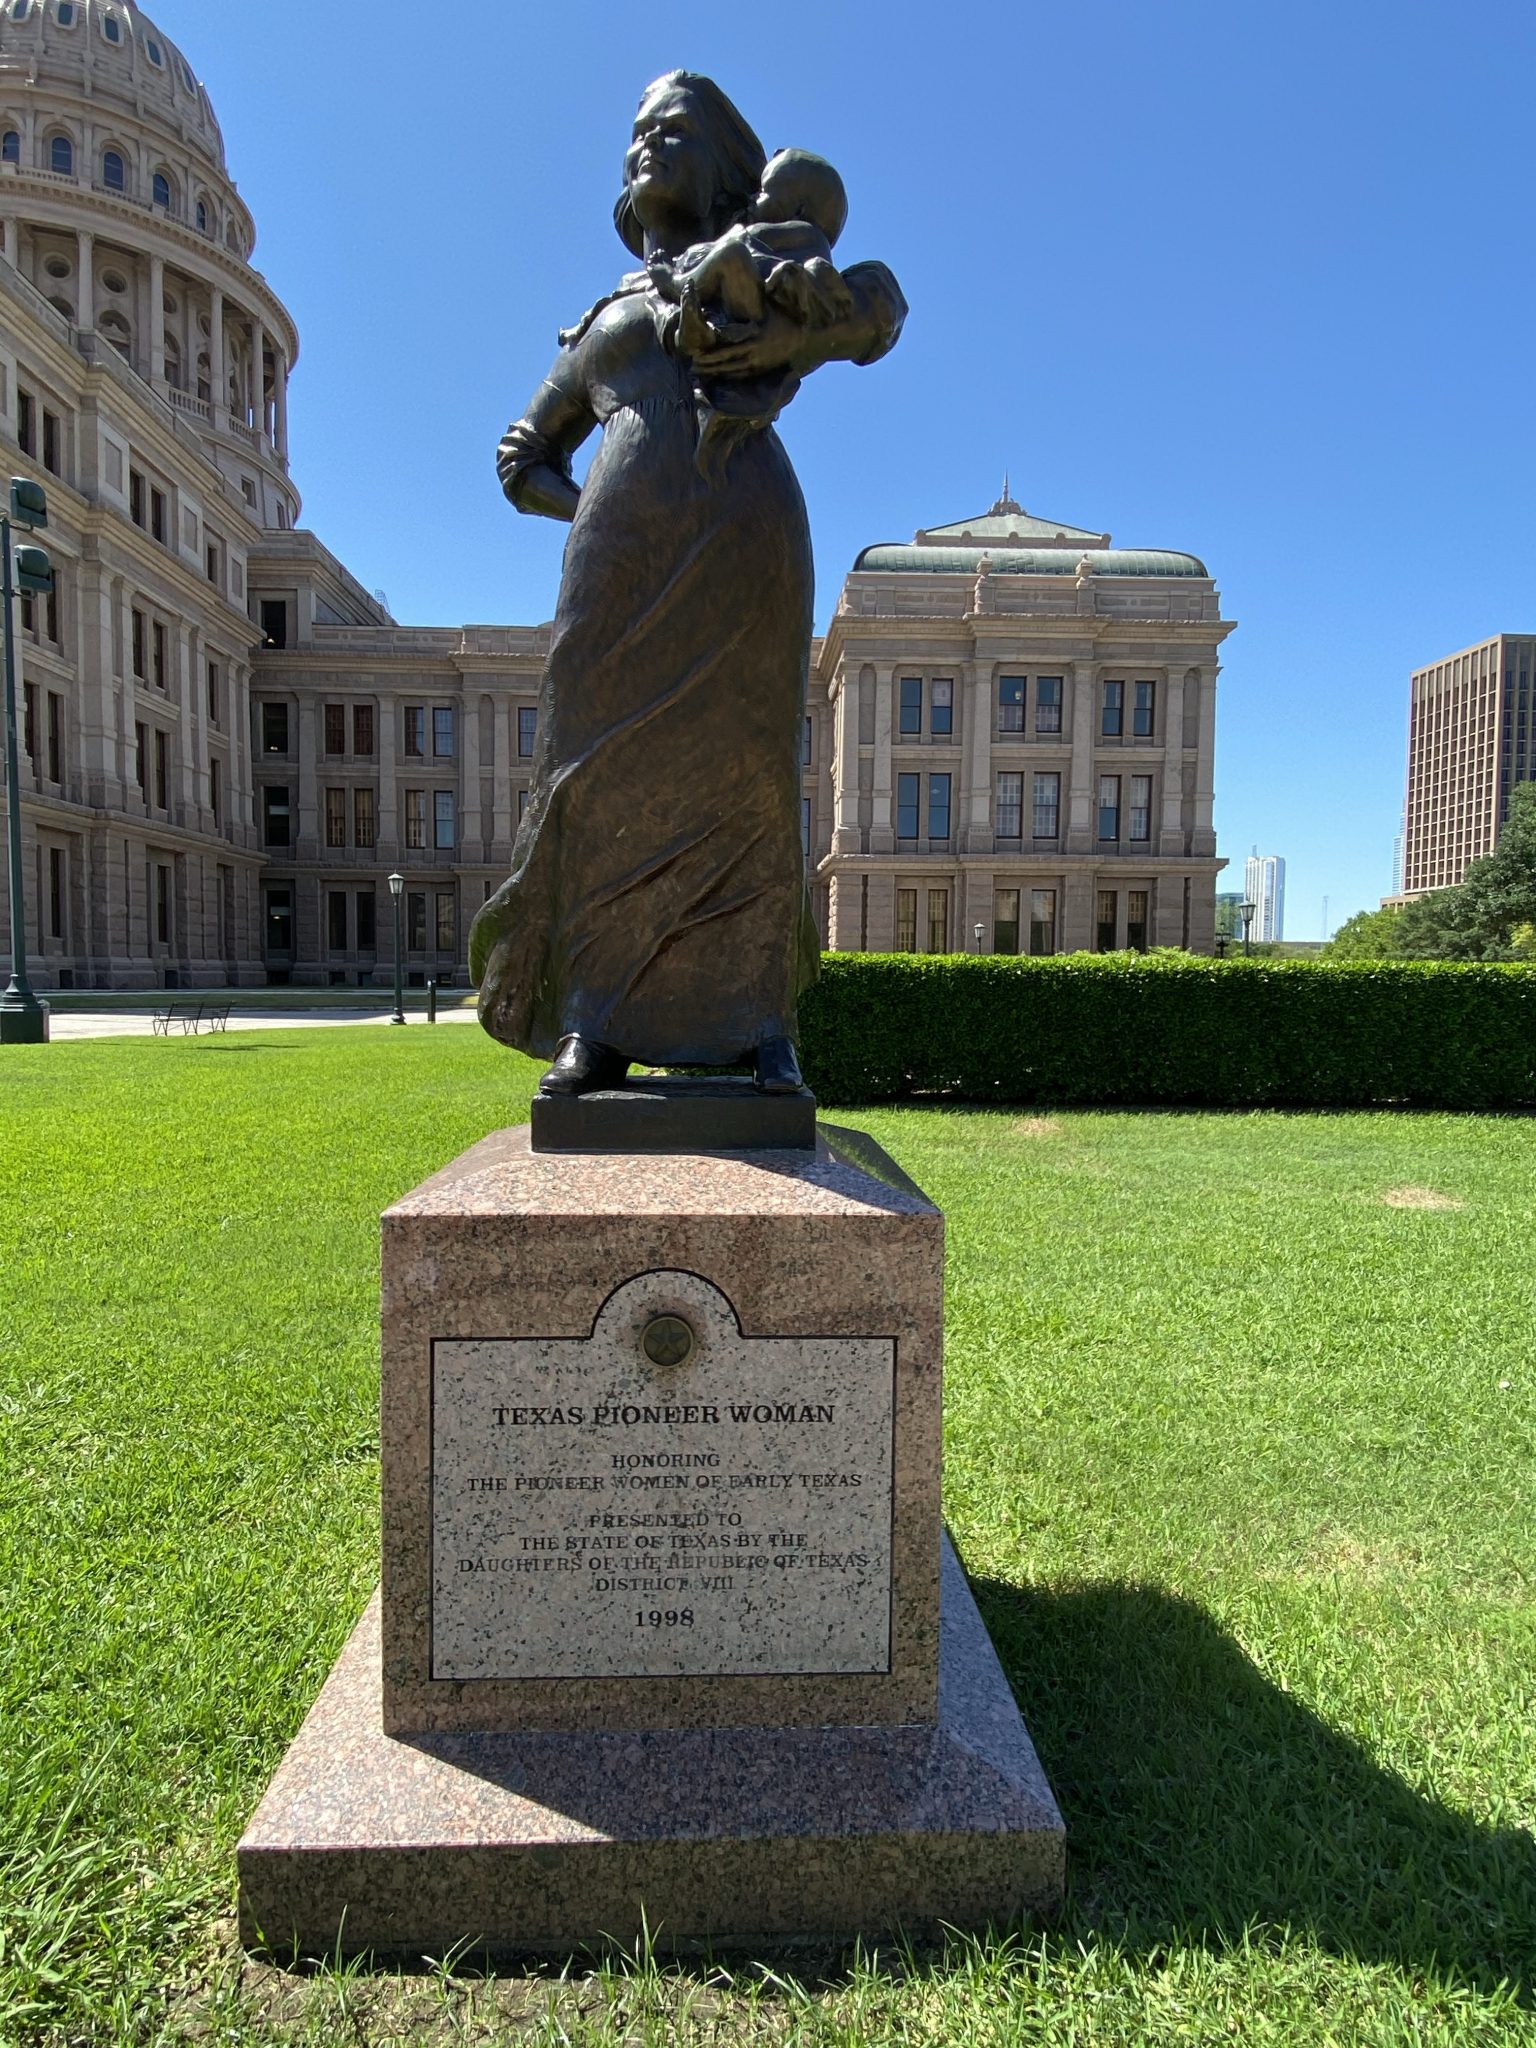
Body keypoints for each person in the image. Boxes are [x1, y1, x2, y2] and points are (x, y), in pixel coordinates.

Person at [470, 71, 906, 1098]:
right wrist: (608, 511)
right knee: (595, 774)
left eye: (673, 132)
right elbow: (518, 455)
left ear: (721, 160)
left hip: (747, 535)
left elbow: (879, 313)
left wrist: (808, 331)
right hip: (620, 564)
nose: (646, 148)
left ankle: (762, 1028)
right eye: (636, 135)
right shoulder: (606, 314)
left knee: (752, 774)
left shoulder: (765, 259)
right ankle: (595, 1021)